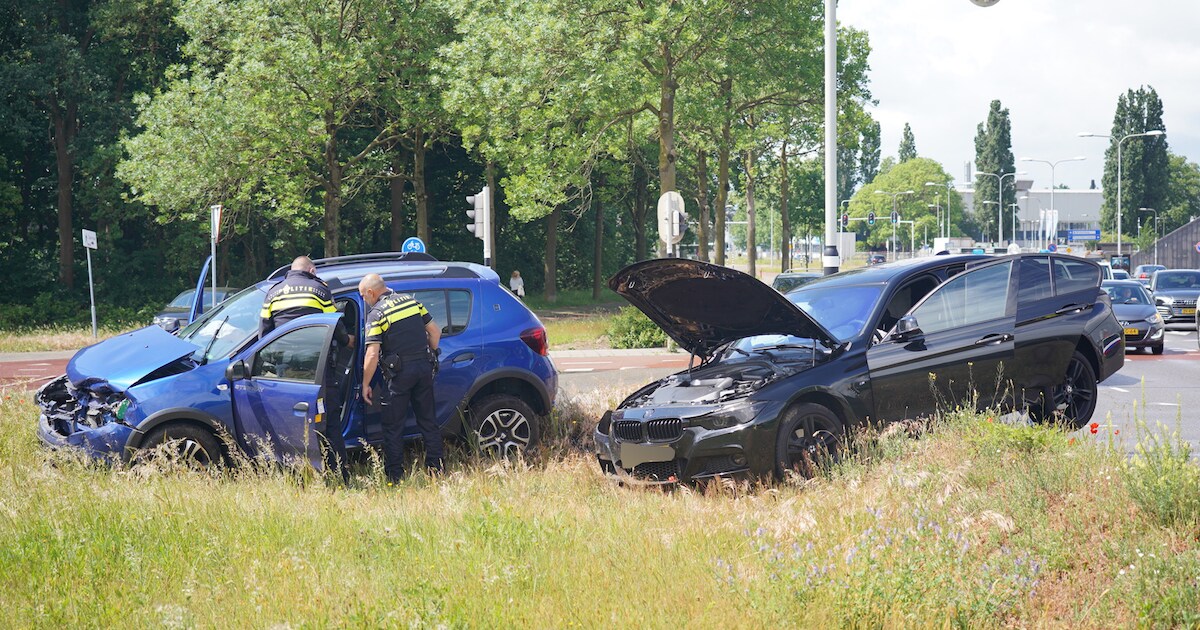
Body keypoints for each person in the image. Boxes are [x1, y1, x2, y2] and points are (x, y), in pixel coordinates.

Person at [261, 256, 356, 481]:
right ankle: (339, 474)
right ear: (311, 270)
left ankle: (297, 475)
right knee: (329, 419)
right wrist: (347, 341)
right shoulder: (320, 290)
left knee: (293, 420)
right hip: (318, 365)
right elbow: (336, 325)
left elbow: (264, 333)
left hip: (287, 371)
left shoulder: (272, 293)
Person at [358, 273, 443, 481]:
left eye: (363, 296)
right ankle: (436, 470)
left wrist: (365, 383)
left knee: (393, 427)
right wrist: (430, 353)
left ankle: (395, 477)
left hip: (399, 375)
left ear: (371, 292)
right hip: (423, 369)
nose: (364, 300)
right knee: (428, 421)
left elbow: (371, 354)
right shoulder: (412, 301)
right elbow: (435, 331)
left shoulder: (377, 314)